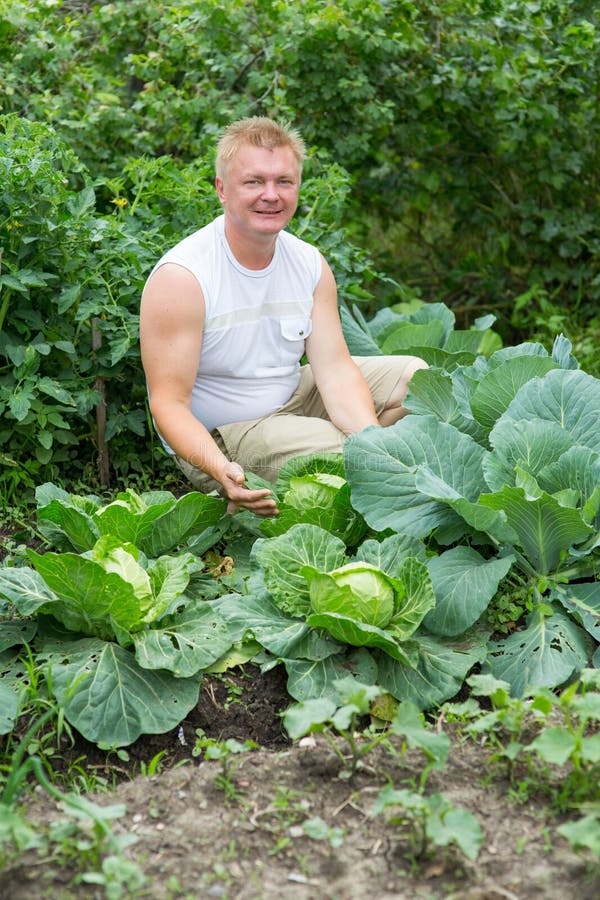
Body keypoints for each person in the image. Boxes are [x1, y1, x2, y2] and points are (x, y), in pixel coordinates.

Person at [140, 116, 427, 517]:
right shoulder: (184, 277)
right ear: (222, 190)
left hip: (291, 398)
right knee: (340, 450)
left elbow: (336, 372)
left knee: (420, 382)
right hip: (223, 439)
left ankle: (370, 473)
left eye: (284, 182)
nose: (270, 195)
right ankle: (269, 490)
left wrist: (372, 442)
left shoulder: (308, 263)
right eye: (254, 182)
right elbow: (168, 404)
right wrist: (221, 470)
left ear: (297, 187)